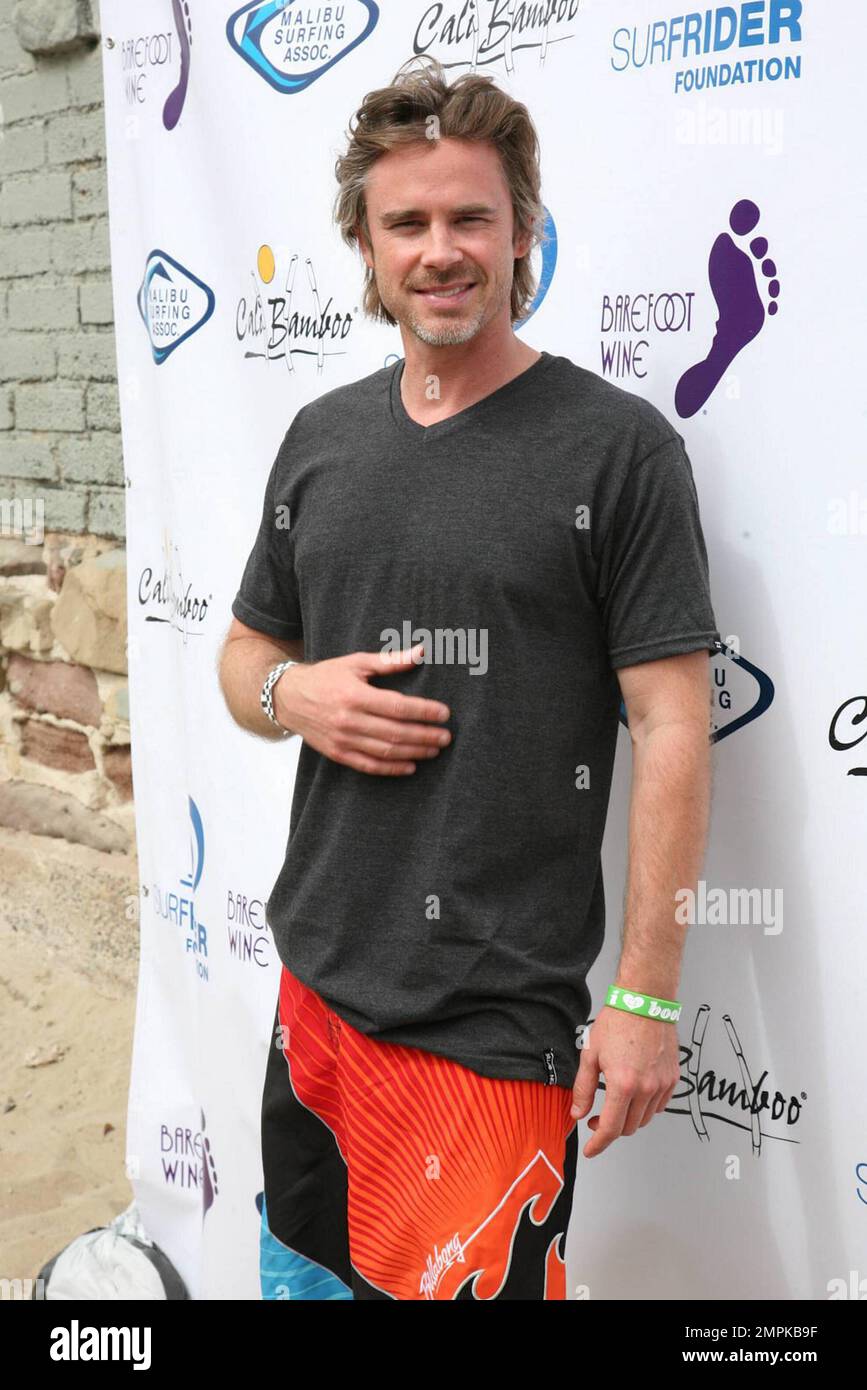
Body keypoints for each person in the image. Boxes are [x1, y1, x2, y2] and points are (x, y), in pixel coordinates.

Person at [218, 56, 720, 1301]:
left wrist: (649, 998)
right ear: (365, 244)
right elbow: (242, 657)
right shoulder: (321, 436)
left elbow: (669, 723)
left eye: (470, 219)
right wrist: (297, 698)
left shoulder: (620, 451)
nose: (440, 251)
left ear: (522, 235)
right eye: (408, 223)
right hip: (315, 1005)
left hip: (494, 1034)